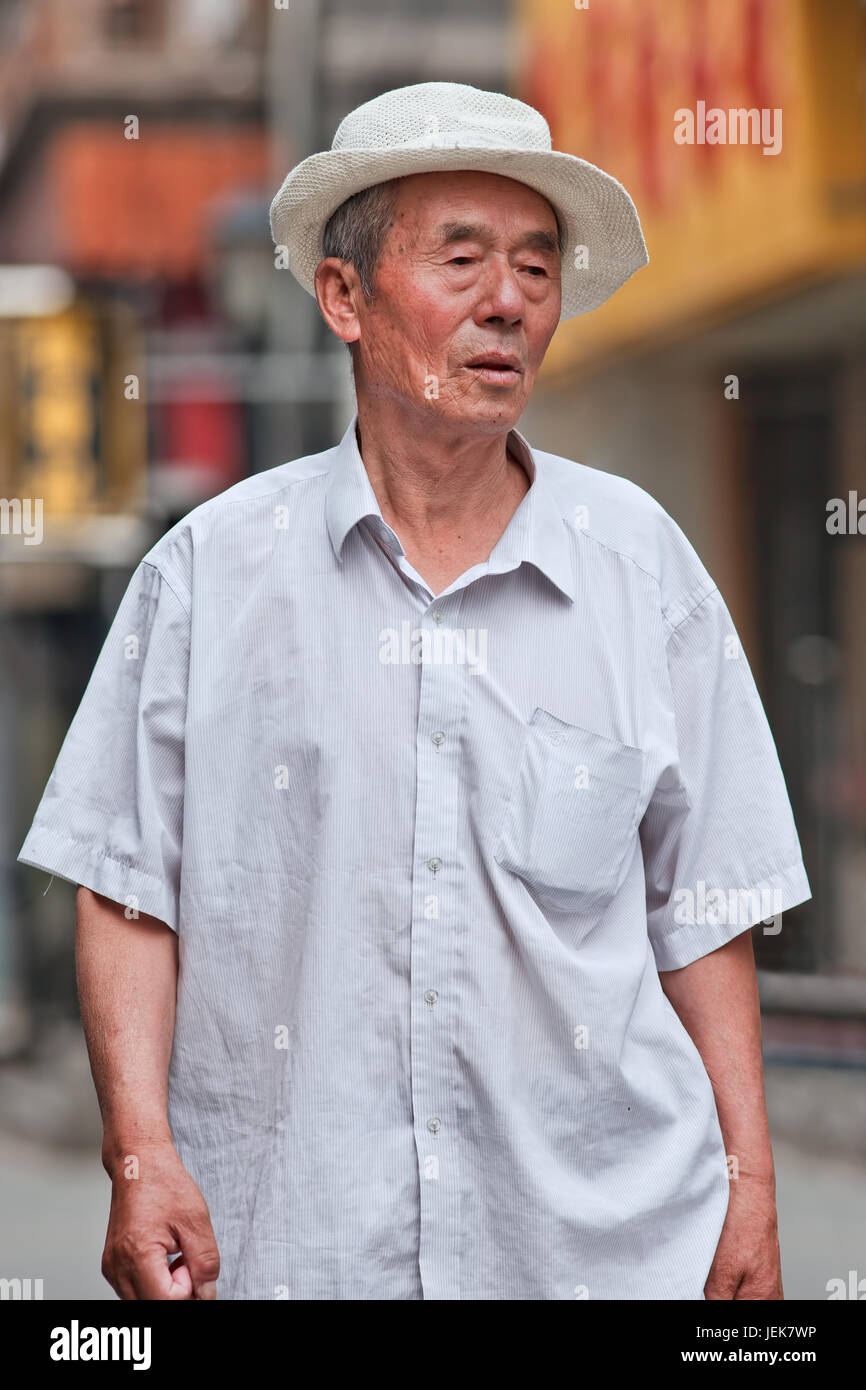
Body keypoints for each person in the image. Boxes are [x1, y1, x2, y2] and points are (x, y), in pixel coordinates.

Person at [18, 81, 811, 1301]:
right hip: (295, 1245)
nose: (507, 302)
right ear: (344, 296)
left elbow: (703, 904)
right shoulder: (210, 575)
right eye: (461, 259)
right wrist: (140, 1154)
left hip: (599, 1253)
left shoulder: (637, 564)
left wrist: (749, 1189)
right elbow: (125, 885)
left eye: (535, 270)